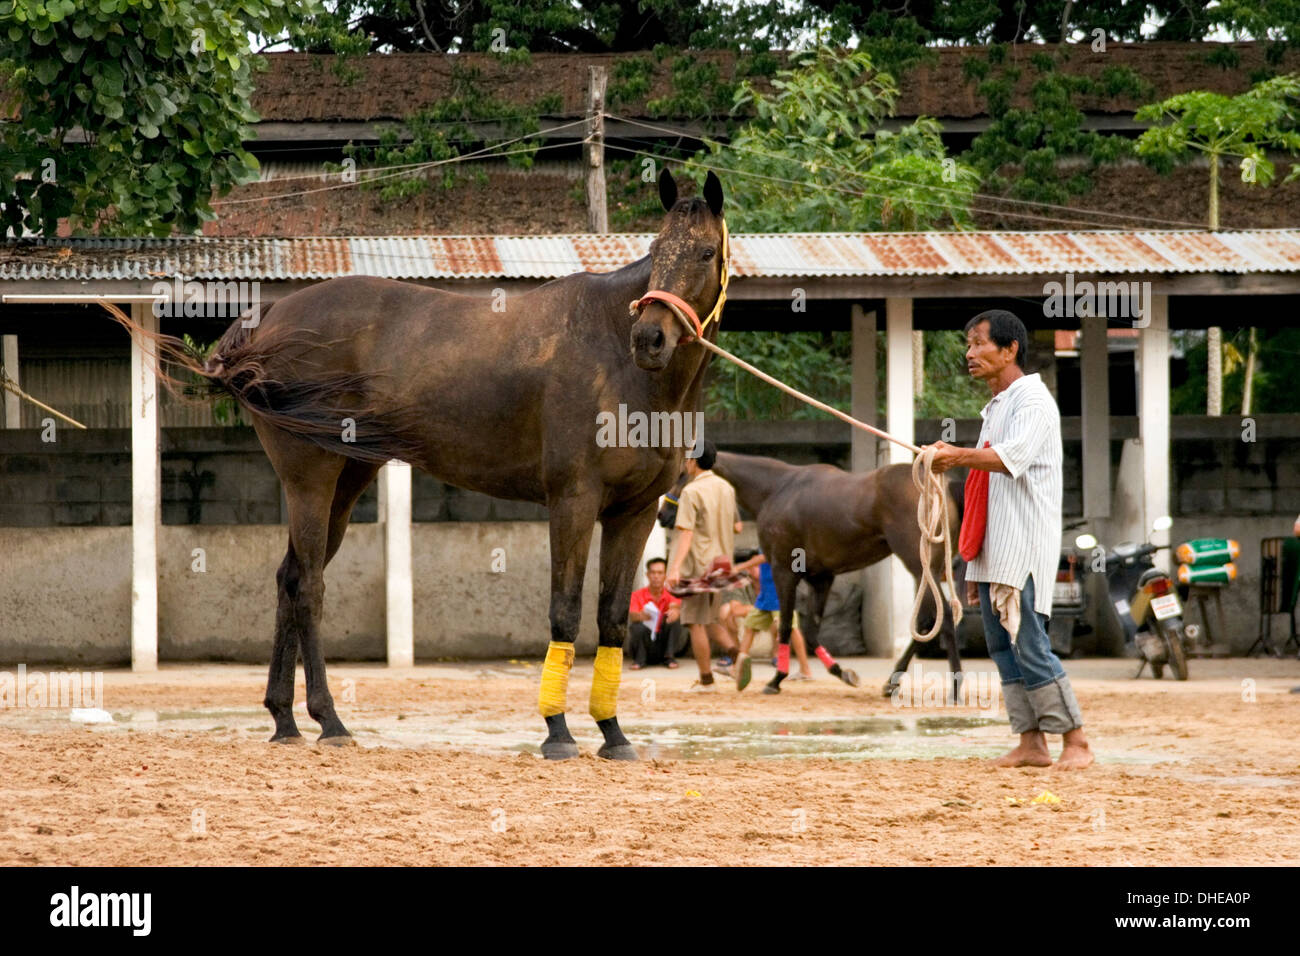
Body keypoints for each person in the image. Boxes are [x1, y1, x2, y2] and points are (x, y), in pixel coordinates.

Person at [927, 309, 1094, 771]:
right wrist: (954, 456)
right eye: (969, 343)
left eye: (979, 343)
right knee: (1001, 646)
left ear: (1010, 349)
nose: (970, 352)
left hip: (1022, 545)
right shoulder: (998, 405)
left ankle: (1075, 739)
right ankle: (1031, 742)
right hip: (992, 546)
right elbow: (988, 461)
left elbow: (1009, 458)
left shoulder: (1033, 401)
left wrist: (955, 456)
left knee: (1030, 642)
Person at [667, 440, 745, 691]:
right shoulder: (726, 488)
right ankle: (738, 656)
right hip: (721, 564)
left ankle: (706, 680)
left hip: (699, 566)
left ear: (693, 461)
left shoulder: (691, 491)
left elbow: (686, 532)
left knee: (694, 622)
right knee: (710, 620)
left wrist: (676, 568)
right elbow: (738, 526)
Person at [732, 550, 813, 689]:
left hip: (780, 593)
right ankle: (737, 668)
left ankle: (805, 670)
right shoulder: (770, 533)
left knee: (791, 629)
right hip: (766, 596)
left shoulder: (778, 533)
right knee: (750, 626)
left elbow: (766, 556)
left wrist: (740, 566)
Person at [625, 557, 685, 669]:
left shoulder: (671, 594)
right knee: (636, 626)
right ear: (647, 575)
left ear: (665, 576)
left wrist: (674, 612)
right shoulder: (637, 595)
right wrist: (641, 615)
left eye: (660, 573)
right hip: (645, 643)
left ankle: (669, 657)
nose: (656, 576)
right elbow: (632, 615)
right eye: (653, 573)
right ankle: (639, 660)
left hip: (662, 642)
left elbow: (675, 607)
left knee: (675, 620)